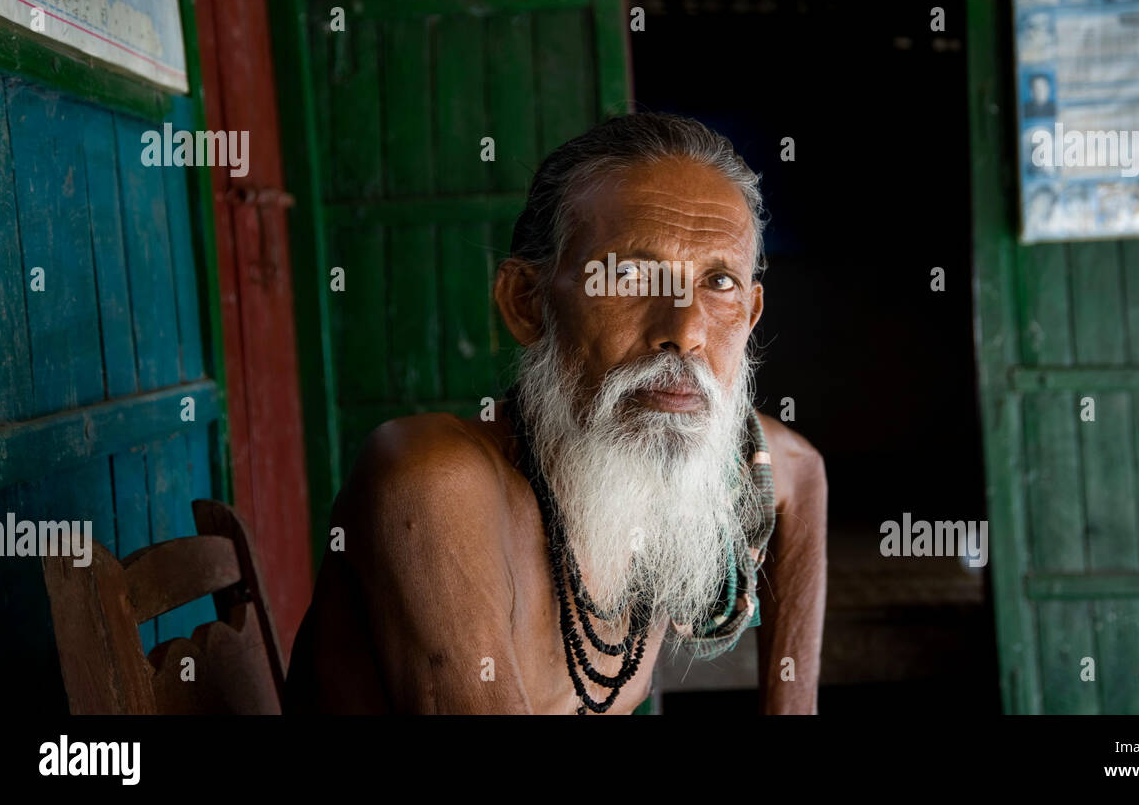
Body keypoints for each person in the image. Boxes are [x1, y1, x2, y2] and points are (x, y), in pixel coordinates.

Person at [284, 114, 828, 715]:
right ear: (526, 303)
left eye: (719, 281)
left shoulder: (690, 455)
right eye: (629, 275)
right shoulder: (432, 478)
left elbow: (802, 472)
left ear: (749, 315)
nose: (686, 330)